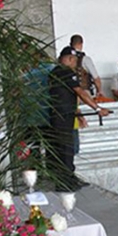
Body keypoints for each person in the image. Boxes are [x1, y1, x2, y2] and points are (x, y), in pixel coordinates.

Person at [47, 47, 109, 191]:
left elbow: (67, 95)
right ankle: (65, 182)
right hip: (62, 116)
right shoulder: (65, 71)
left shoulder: (55, 72)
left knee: (65, 148)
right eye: (74, 60)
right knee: (65, 149)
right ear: (69, 59)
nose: (75, 64)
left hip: (62, 115)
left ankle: (68, 178)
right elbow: (80, 92)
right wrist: (97, 108)